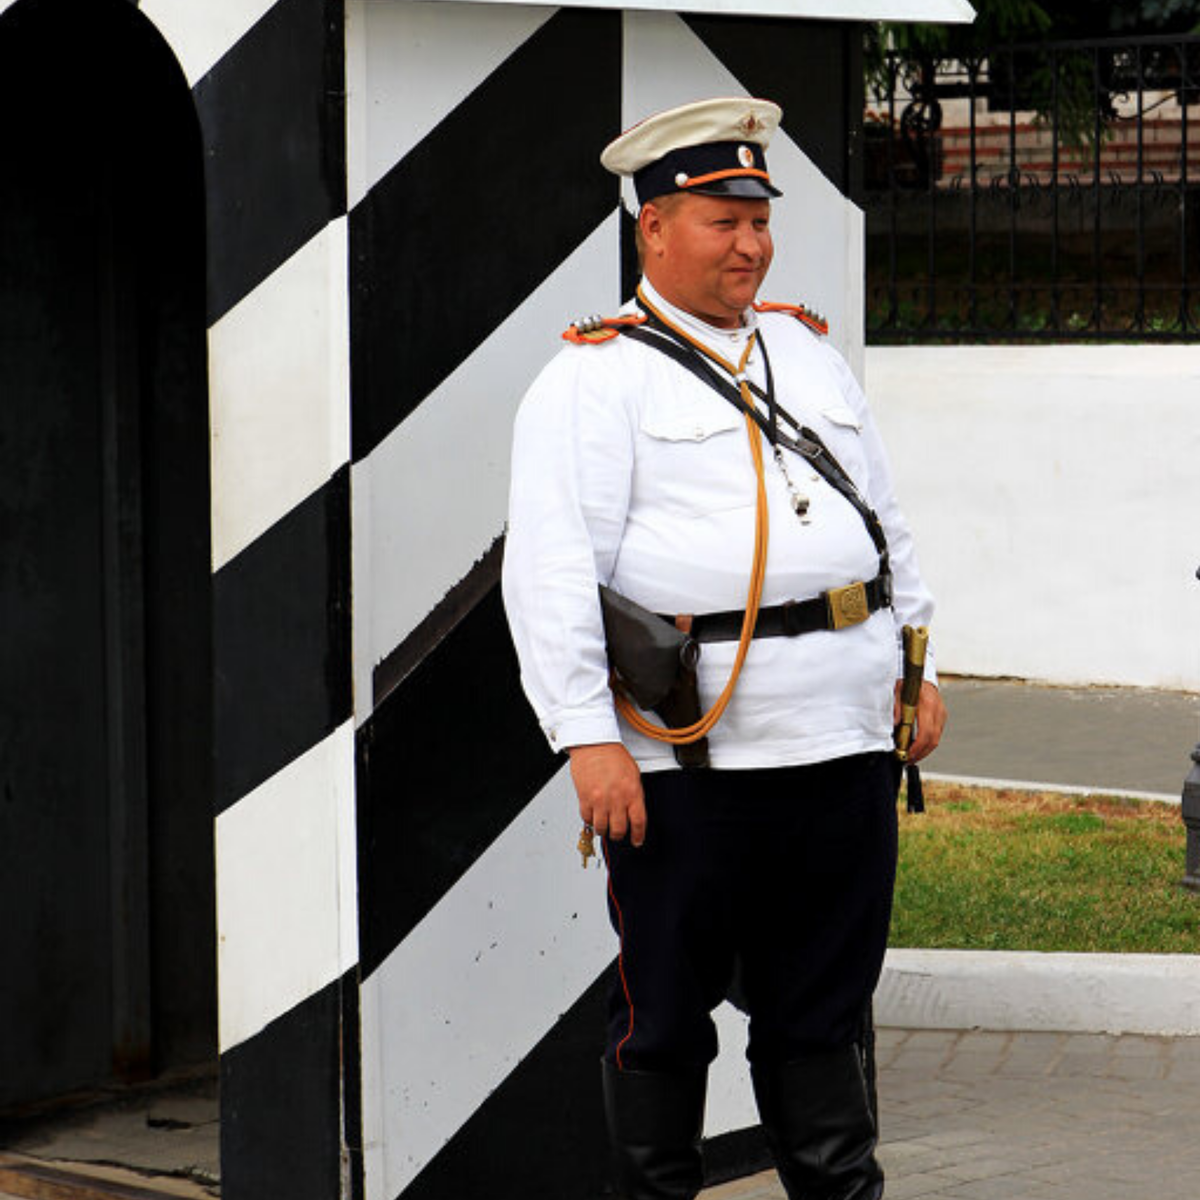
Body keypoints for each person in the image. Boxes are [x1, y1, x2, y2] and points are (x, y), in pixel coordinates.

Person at [502, 96, 945, 1200]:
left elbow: (883, 524)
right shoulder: (594, 377)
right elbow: (551, 571)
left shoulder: (804, 350)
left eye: (758, 214)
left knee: (822, 1005)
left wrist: (918, 666)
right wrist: (586, 740)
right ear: (653, 226)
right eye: (720, 217)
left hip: (840, 739)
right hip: (689, 761)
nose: (751, 240)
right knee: (665, 1011)